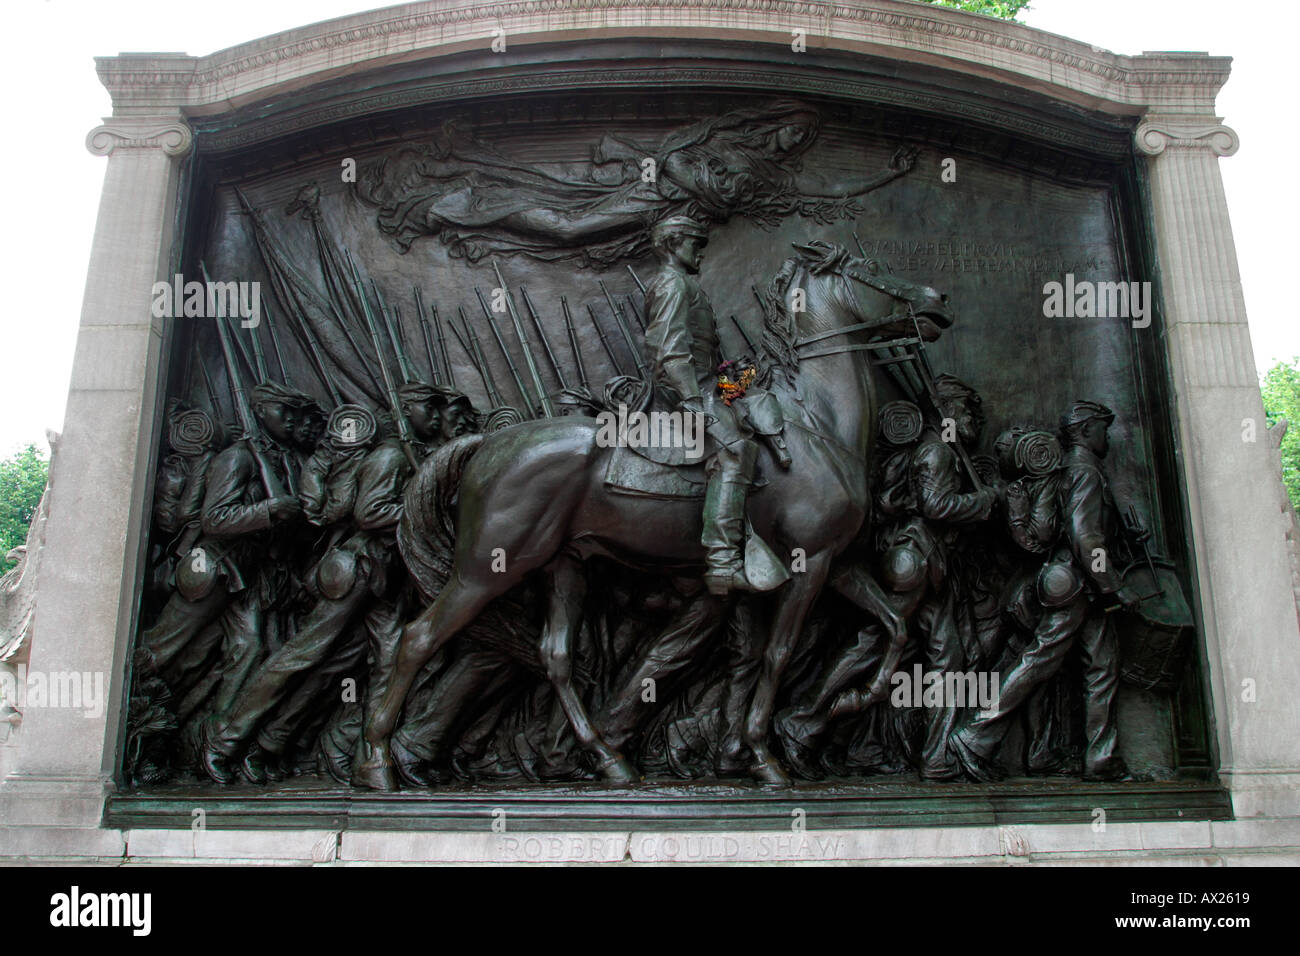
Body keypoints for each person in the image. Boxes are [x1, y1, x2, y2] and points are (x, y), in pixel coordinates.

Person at [951, 401, 1141, 782]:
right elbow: (1085, 536)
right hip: (1077, 584)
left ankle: (1101, 759)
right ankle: (975, 734)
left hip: (1078, 585)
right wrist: (1113, 585)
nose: (1107, 437)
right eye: (1102, 429)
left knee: (1101, 667)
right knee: (1040, 661)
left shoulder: (1069, 469)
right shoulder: (1083, 470)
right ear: (1086, 430)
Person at [643, 215, 759, 596]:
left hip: (705, 383)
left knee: (757, 403)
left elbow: (702, 358)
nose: (701, 254)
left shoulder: (684, 284)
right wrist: (694, 402)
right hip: (682, 391)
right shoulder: (673, 284)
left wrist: (738, 378)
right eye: (695, 245)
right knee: (735, 450)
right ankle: (723, 562)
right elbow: (670, 352)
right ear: (674, 243)